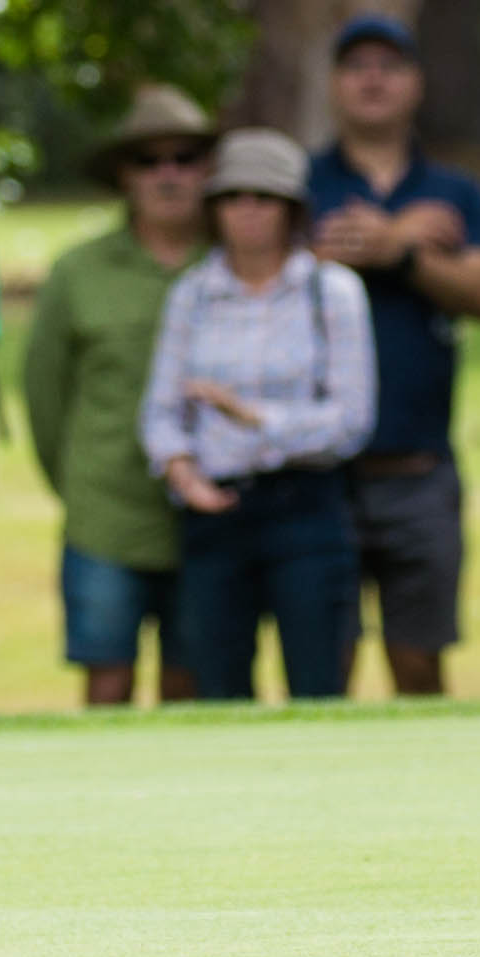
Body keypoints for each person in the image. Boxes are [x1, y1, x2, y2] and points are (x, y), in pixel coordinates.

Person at [305, 15, 480, 697]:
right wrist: (349, 248)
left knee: (419, 662)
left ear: (416, 84)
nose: (372, 79)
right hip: (316, 471)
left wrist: (400, 249)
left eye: (388, 66)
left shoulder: (454, 191)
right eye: (356, 65)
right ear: (334, 85)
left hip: (420, 466)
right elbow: (260, 282)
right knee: (320, 664)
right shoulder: (301, 185)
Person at [139, 129, 376, 702]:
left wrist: (254, 417)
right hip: (216, 509)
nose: (248, 213)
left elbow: (351, 420)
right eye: (233, 198)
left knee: (318, 682)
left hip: (307, 506)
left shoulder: (330, 291)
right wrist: (181, 470)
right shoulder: (192, 294)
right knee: (217, 687)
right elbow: (161, 410)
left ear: (290, 209)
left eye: (263, 198)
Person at [24, 86, 218, 707]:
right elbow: (43, 396)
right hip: (106, 511)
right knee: (106, 680)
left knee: (191, 682)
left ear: (208, 171)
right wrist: (78, 482)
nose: (168, 174)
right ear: (122, 175)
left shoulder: (236, 265)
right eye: (148, 160)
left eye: (185, 158)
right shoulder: (79, 271)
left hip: (209, 512)